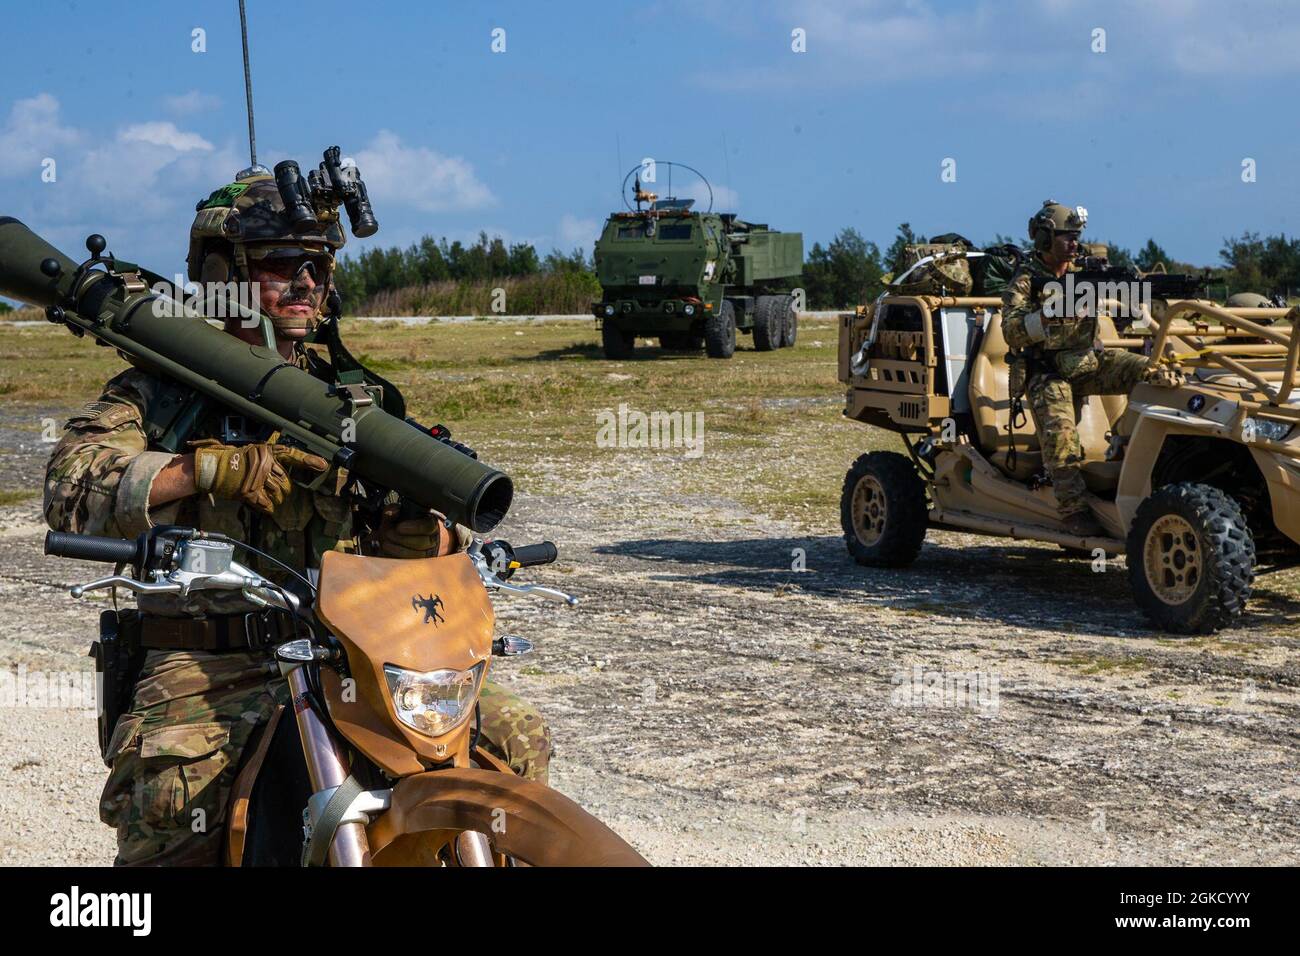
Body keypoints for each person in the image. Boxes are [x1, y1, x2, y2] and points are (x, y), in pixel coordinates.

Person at [44, 169, 551, 865]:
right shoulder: (160, 393)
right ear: (224, 272)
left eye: (319, 265)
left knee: (511, 745)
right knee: (174, 795)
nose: (308, 282)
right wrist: (208, 471)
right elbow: (74, 486)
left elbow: (439, 526)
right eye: (285, 264)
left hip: (356, 654)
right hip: (214, 655)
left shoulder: (349, 395)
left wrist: (420, 533)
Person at [1001, 200, 1169, 536]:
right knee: (1062, 437)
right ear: (1046, 239)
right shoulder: (1026, 281)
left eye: (1077, 237)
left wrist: (1136, 303)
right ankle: (1073, 510)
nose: (1074, 244)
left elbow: (1125, 309)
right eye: (1066, 237)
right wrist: (1048, 314)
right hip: (1046, 371)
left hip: (1087, 363)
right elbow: (1011, 330)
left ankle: (1123, 445)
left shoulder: (1085, 274)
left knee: (1151, 373)